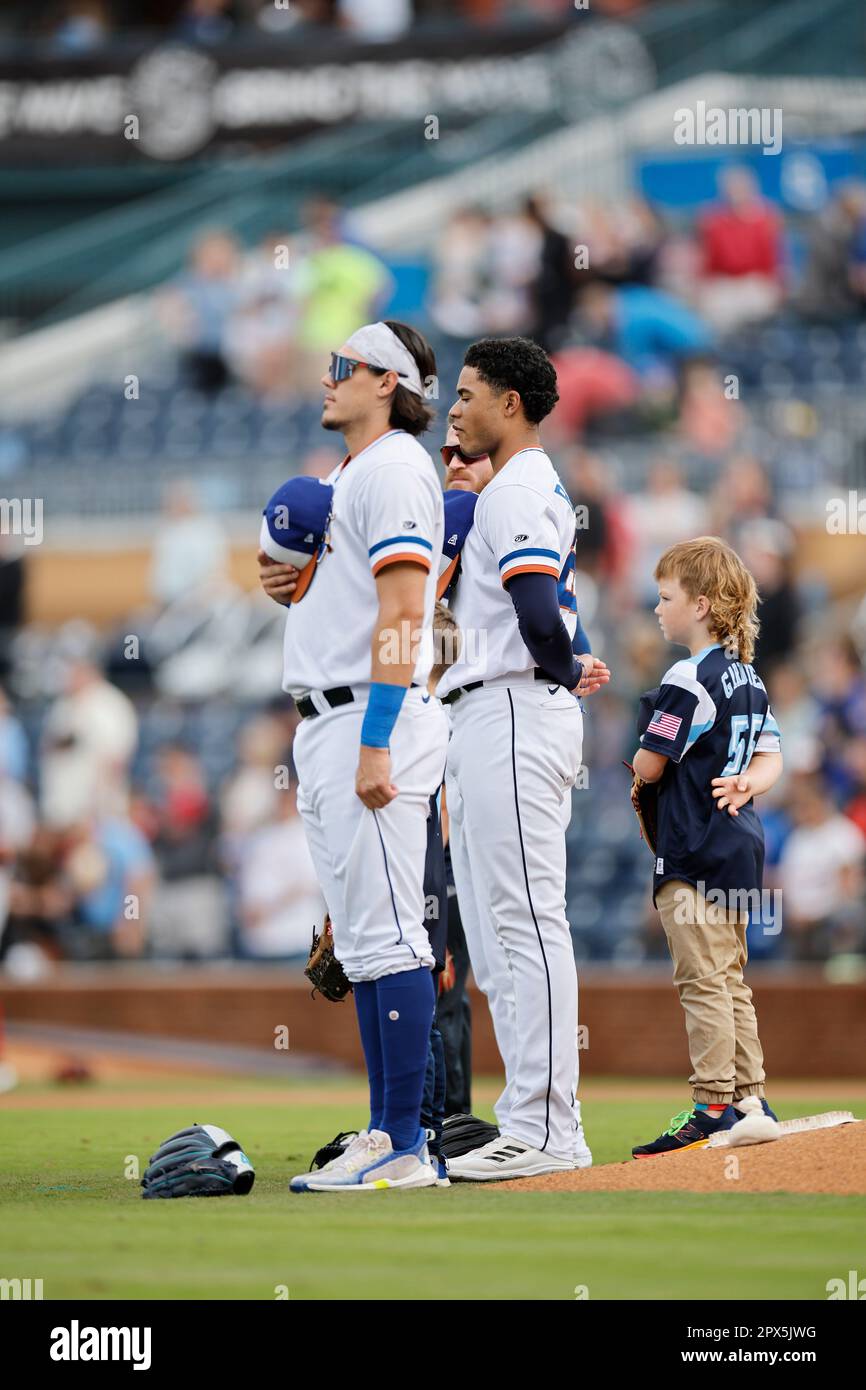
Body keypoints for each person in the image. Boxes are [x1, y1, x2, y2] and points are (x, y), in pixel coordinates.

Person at [258, 319, 447, 1193]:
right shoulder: (352, 473)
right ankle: (386, 1131)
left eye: (345, 367)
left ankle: (404, 1142)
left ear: (386, 382)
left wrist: (375, 738)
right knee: (362, 944)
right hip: (326, 718)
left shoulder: (399, 465)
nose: (327, 377)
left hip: (371, 718)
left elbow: (406, 611)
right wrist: (288, 577)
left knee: (388, 932)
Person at [436, 337, 610, 1181]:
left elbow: (539, 616)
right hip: (485, 710)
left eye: (468, 394)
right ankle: (527, 1118)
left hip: (511, 707)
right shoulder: (500, 488)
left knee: (527, 920)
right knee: (501, 930)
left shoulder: (518, 488)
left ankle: (550, 1129)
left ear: (512, 403)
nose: (454, 407)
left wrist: (568, 662)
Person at [630, 536, 784, 1156]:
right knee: (731, 977)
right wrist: (748, 782)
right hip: (739, 845)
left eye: (666, 597)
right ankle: (750, 1098)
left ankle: (714, 1103)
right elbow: (772, 756)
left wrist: (642, 756)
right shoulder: (748, 675)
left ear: (698, 604)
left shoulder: (688, 676)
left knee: (701, 980)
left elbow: (649, 764)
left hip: (692, 848)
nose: (657, 608)